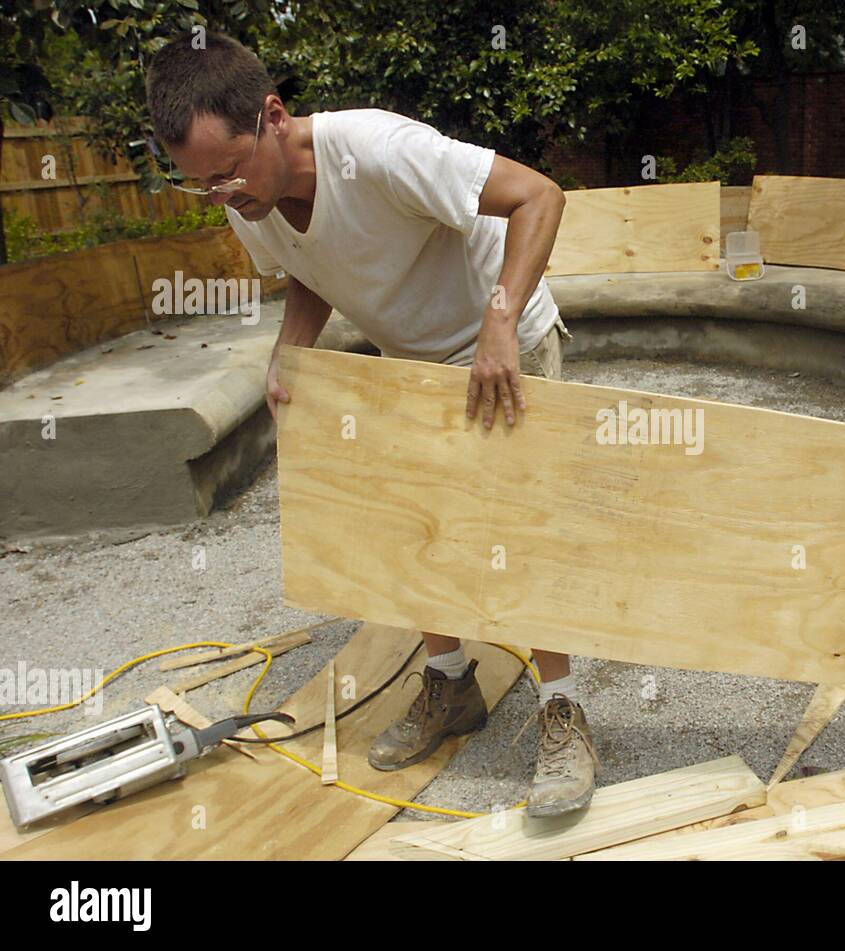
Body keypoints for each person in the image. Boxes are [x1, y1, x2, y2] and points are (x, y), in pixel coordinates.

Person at [146, 31, 598, 817]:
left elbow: (540, 196)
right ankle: (451, 687)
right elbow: (312, 271)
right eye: (200, 186)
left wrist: (499, 320)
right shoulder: (248, 197)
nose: (221, 194)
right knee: (412, 526)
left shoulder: (381, 151)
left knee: (515, 530)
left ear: (274, 116)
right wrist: (290, 354)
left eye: (227, 172)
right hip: (409, 358)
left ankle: (562, 710)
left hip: (501, 339)